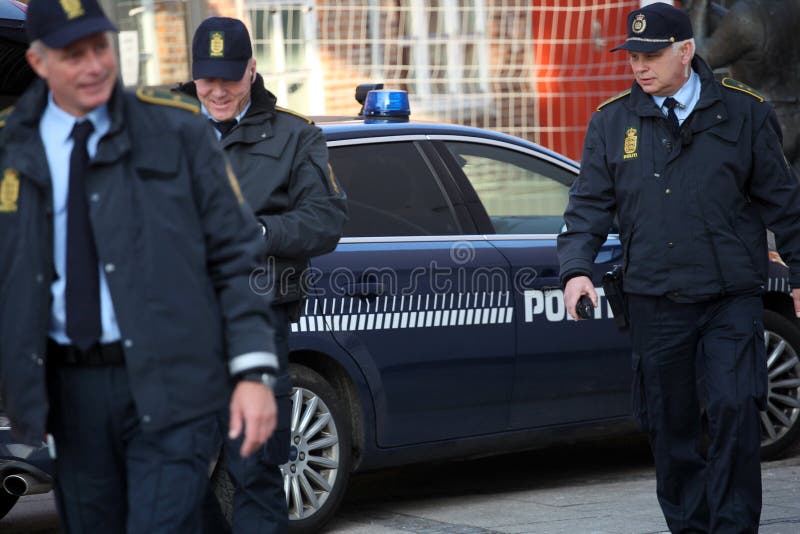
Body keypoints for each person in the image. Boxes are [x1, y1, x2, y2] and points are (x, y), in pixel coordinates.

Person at [0, 1, 281, 531]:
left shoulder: (177, 132)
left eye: (101, 47)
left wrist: (251, 371)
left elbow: (234, 255)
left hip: (172, 375)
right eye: (73, 54)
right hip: (72, 389)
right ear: (38, 63)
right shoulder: (12, 145)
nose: (94, 66)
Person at [557, 3, 800, 533]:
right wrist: (577, 269)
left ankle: (734, 528)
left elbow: (785, 203)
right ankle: (690, 527)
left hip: (728, 298)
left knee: (737, 413)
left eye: (651, 55)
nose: (639, 66)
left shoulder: (745, 112)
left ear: (685, 51)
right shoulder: (612, 120)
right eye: (633, 56)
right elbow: (588, 207)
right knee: (671, 427)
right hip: (654, 301)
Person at [175, 17, 347, 533]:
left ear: (252, 69)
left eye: (230, 77)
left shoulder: (297, 136)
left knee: (255, 470)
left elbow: (327, 220)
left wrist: (257, 232)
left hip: (256, 319)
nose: (218, 91)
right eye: (208, 79)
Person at [685, 0, 800, 173]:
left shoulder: (746, 14)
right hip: (791, 114)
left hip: (761, 122)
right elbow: (735, 27)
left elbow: (698, 60)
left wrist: (699, 5)